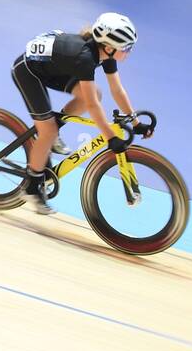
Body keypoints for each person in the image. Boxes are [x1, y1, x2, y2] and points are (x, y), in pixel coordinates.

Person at [10, 13, 152, 214]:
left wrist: (136, 122)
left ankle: (53, 129)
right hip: (29, 71)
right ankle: (31, 188)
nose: (129, 51)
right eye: (127, 48)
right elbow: (93, 107)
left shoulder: (106, 53)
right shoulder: (85, 58)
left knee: (95, 94)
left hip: (55, 66)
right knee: (47, 132)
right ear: (109, 47)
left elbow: (117, 90)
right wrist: (110, 137)